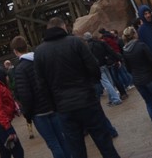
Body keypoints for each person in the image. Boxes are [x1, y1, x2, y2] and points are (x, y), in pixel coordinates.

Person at [32, 17, 122, 158]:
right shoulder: (75, 42)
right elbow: (94, 67)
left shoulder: (40, 52)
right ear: (63, 27)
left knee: (76, 149)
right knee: (104, 143)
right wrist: (91, 87)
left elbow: (41, 85)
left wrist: (55, 105)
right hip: (87, 101)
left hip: (64, 107)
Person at [10, 35, 70, 158]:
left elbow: (25, 95)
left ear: (15, 51)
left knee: (53, 143)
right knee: (62, 139)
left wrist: (27, 114)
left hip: (39, 112)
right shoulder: (41, 60)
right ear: (27, 46)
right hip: (53, 106)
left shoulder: (20, 69)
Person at [119, 26, 152, 135]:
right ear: (134, 34)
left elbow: (128, 68)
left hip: (138, 80)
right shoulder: (141, 46)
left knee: (149, 103)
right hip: (149, 77)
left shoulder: (125, 51)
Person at [83, 31, 124, 105]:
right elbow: (110, 50)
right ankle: (112, 98)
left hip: (98, 67)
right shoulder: (100, 42)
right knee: (109, 81)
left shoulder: (87, 47)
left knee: (106, 83)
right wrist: (118, 58)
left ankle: (115, 98)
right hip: (105, 63)